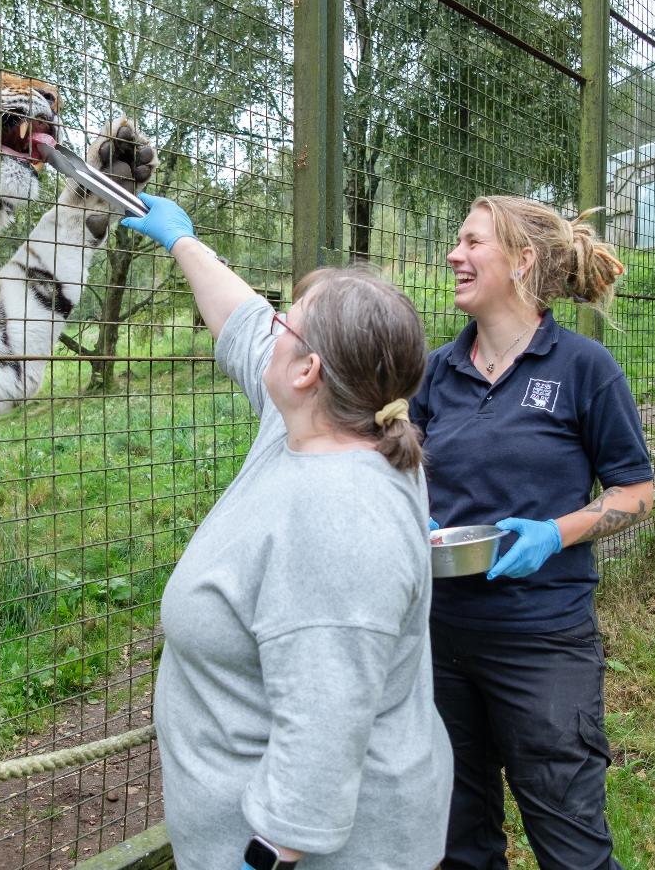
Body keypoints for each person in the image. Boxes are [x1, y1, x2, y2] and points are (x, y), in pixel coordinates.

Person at [121, 193, 452, 870]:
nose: (274, 327)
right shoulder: (330, 425)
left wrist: (263, 857)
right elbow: (245, 325)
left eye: (289, 324)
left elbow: (321, 745)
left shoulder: (337, 519)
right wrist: (183, 241)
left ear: (309, 372)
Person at [411, 195, 654, 870]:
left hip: (542, 640)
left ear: (522, 261)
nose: (455, 256)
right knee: (457, 839)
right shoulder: (437, 370)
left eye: (472, 243)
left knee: (570, 841)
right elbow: (409, 472)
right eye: (457, 243)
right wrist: (412, 510)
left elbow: (637, 495)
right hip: (441, 638)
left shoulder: (583, 368)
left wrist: (556, 532)